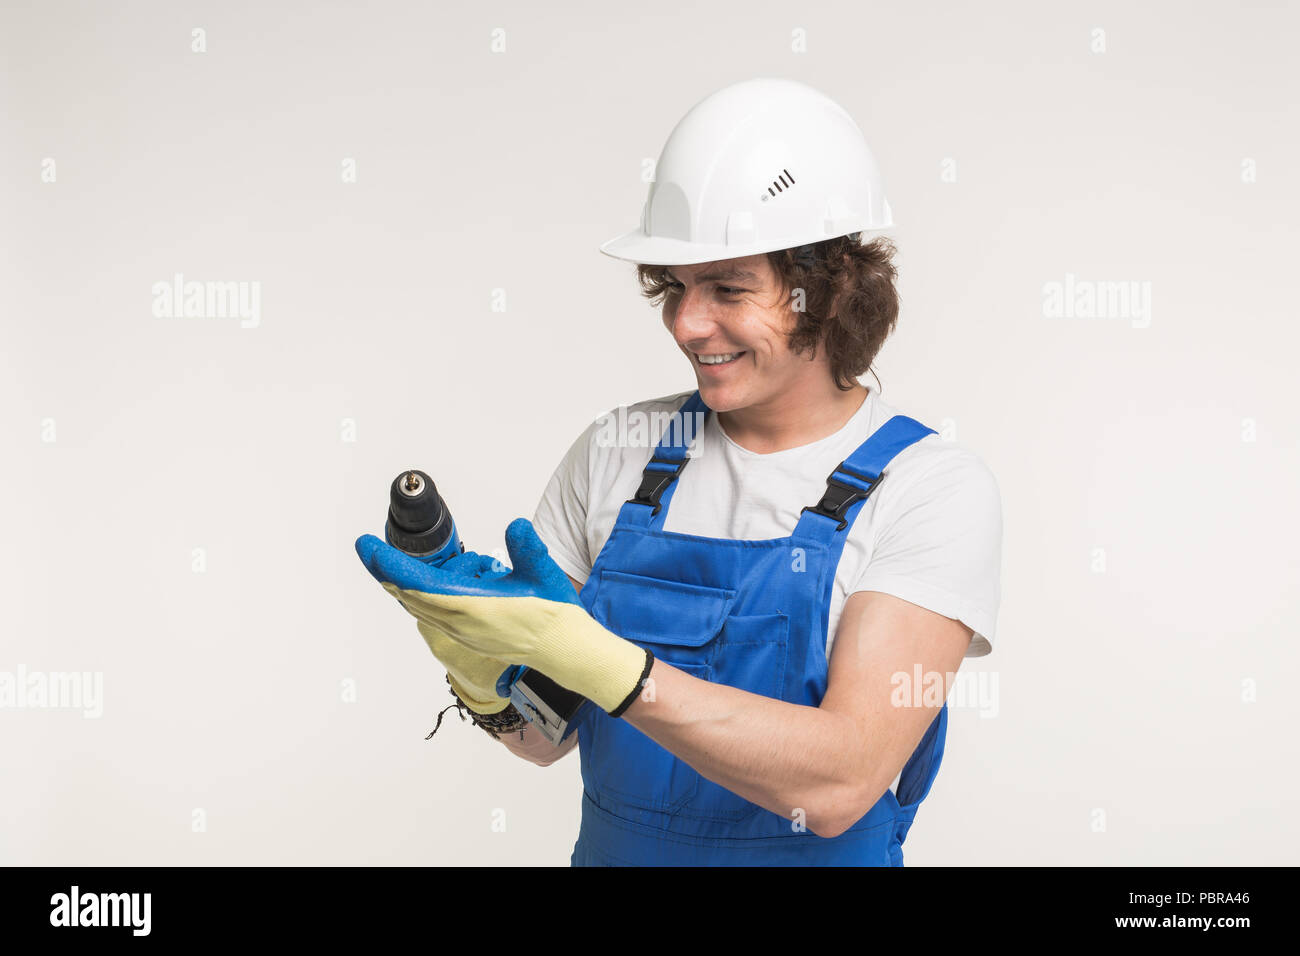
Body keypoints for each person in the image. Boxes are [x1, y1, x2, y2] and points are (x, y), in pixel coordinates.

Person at [356, 77, 1002, 866]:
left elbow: (842, 781)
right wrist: (480, 674)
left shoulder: (930, 489)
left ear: (828, 293)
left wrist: (611, 666)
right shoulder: (618, 452)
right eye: (676, 288)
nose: (689, 325)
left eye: (728, 289)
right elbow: (544, 737)